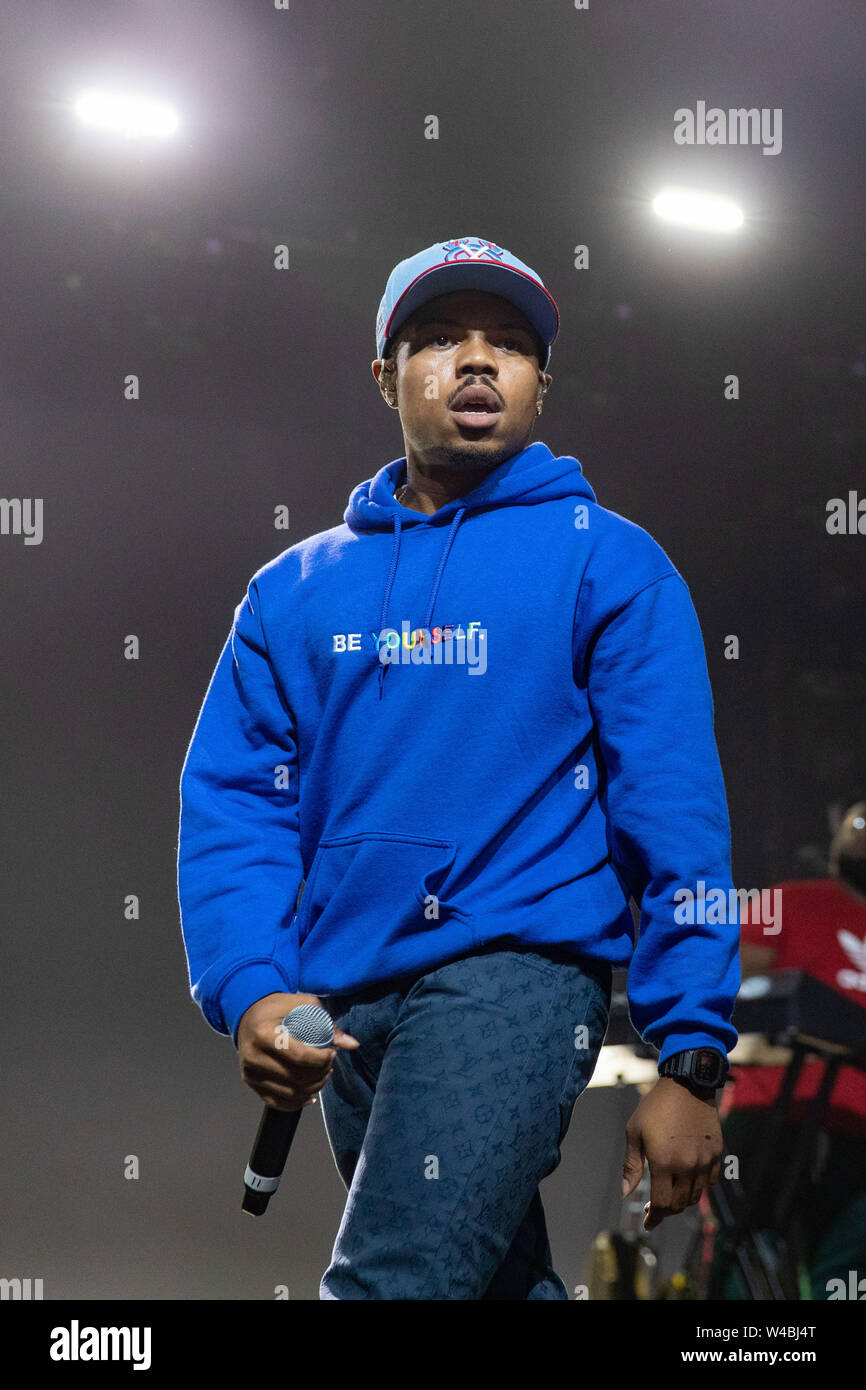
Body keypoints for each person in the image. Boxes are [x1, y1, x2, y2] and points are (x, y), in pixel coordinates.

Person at [177, 234, 740, 1299]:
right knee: (487, 1286)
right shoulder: (290, 590)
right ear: (387, 376)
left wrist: (691, 1060)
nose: (476, 362)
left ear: (538, 385)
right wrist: (252, 986)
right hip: (341, 1006)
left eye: (508, 345)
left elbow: (676, 820)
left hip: (513, 981)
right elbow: (235, 803)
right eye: (438, 339)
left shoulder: (609, 560)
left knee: (393, 1284)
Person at [714, 801, 866, 1299]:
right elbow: (737, 1001)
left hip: (859, 1135)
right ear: (835, 849)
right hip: (773, 1114)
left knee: (847, 1272)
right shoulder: (792, 901)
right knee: (747, 1257)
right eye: (858, 825)